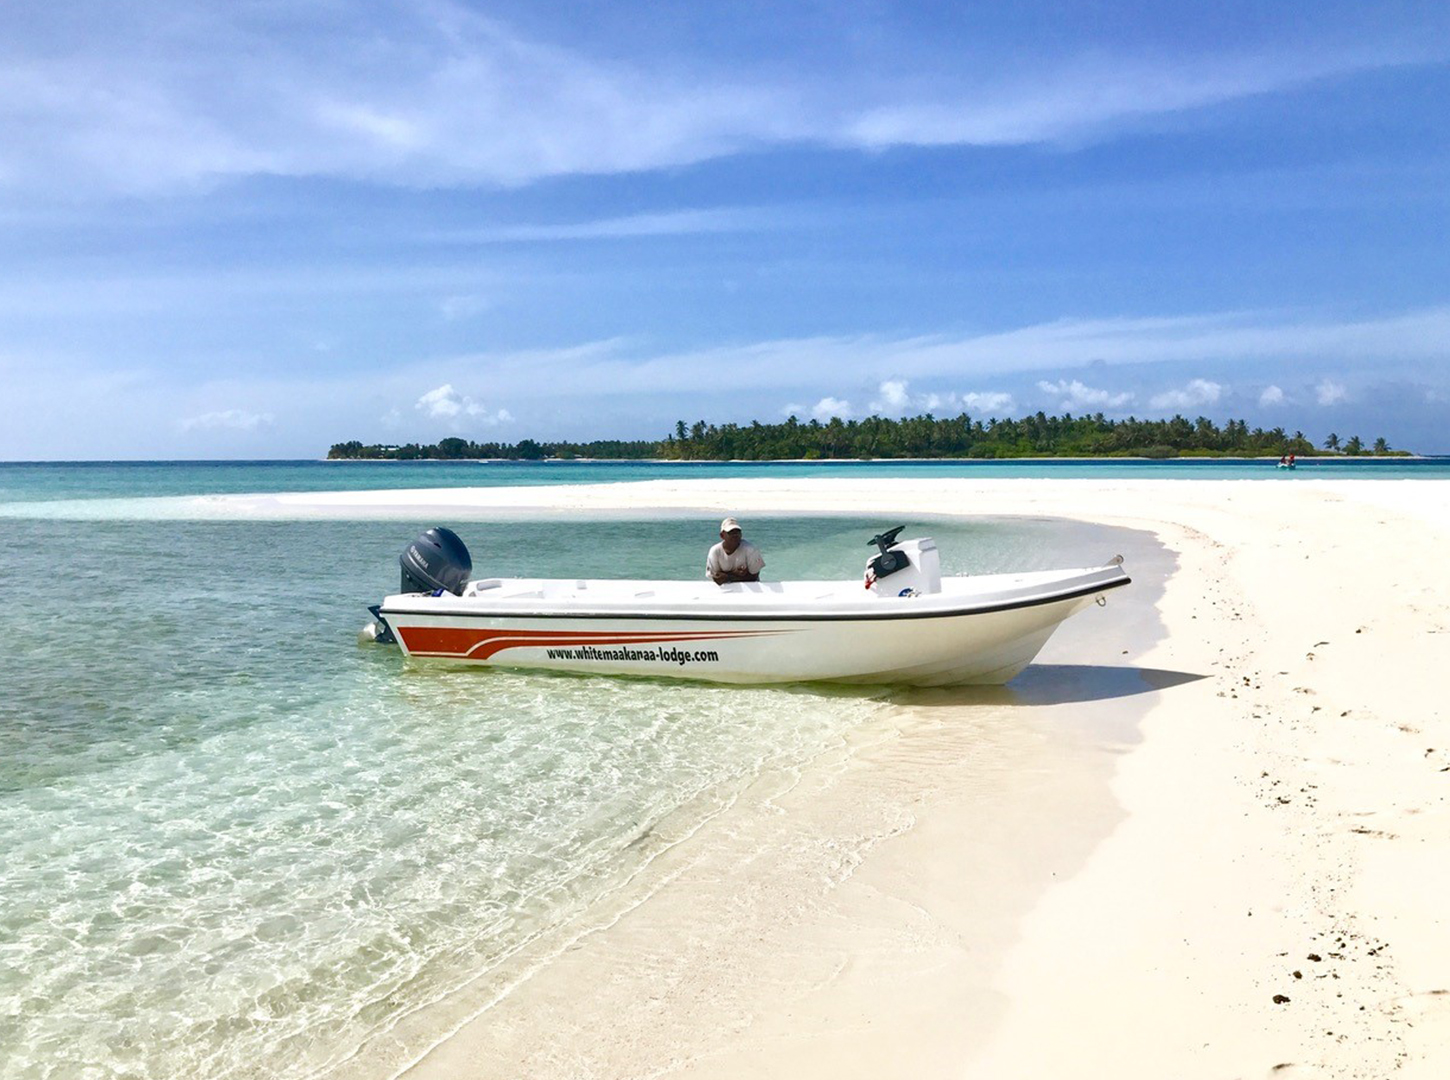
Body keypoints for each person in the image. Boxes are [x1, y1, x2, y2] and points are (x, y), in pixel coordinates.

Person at [706, 517, 764, 585]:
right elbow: (716, 577)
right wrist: (735, 574)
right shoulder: (715, 551)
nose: (735, 535)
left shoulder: (750, 549)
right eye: (731, 532)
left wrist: (727, 577)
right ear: (722, 535)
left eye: (737, 532)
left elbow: (754, 576)